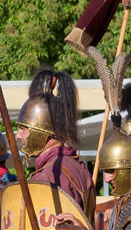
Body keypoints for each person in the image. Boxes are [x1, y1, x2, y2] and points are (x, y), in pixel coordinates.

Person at [17, 67, 96, 220]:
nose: (18, 136)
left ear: (45, 130)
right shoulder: (77, 165)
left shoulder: (48, 175)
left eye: (24, 129)